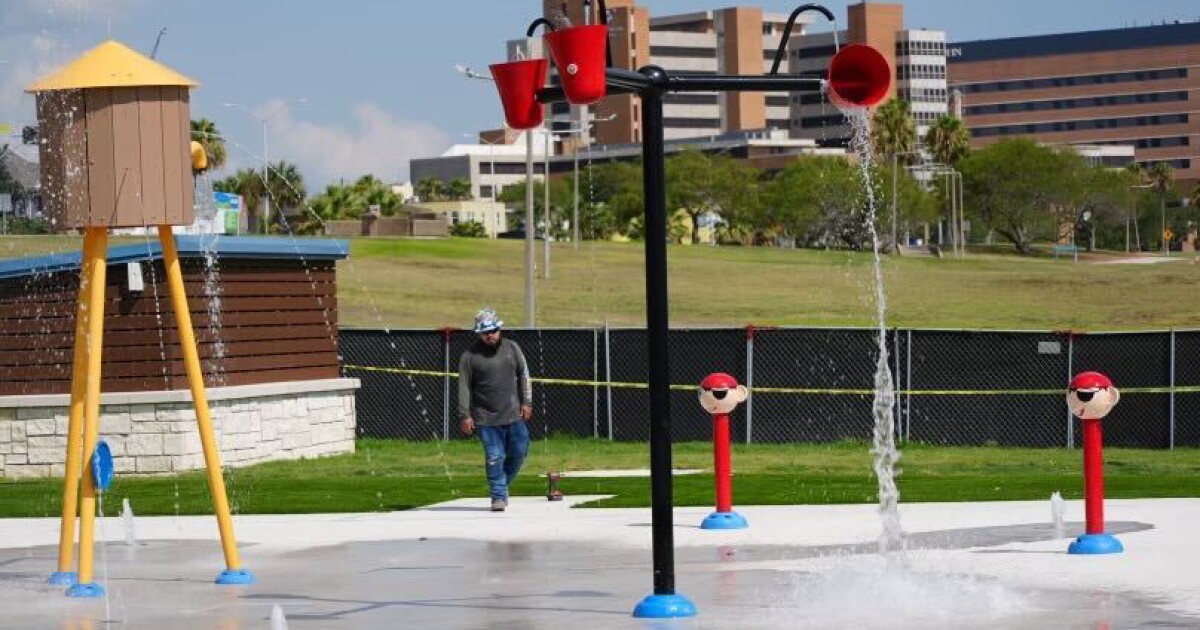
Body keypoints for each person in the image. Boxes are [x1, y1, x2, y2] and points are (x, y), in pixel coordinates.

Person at [458, 308, 533, 512]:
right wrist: (465, 415)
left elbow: (524, 375)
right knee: (495, 457)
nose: (490, 335)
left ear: (499, 329)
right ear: (479, 334)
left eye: (493, 330)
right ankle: (498, 496)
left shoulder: (512, 348)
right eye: (485, 332)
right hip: (485, 418)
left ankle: (502, 485)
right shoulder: (469, 357)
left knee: (519, 452)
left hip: (513, 414)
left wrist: (527, 402)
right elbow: (464, 387)